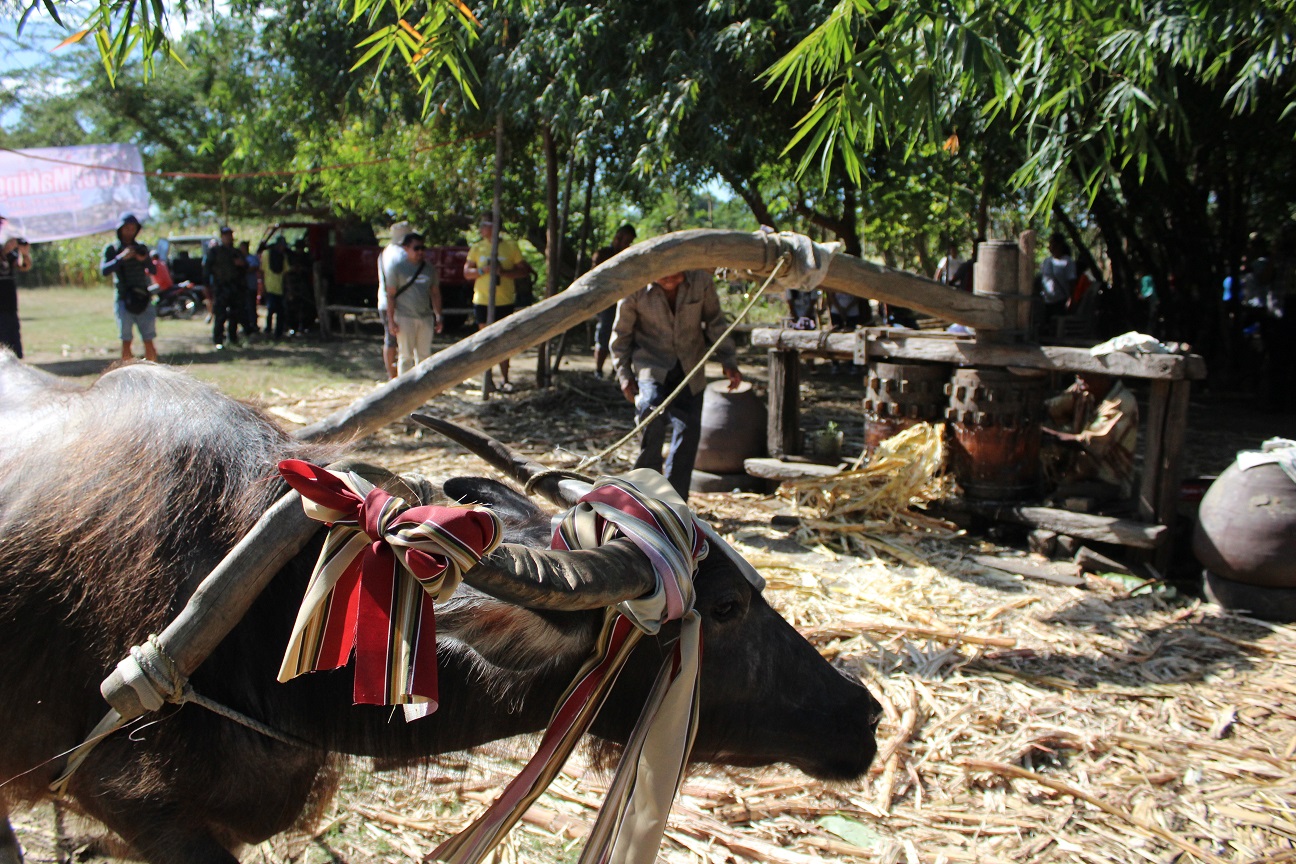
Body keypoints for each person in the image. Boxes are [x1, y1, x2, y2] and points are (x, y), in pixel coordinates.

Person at [611, 269, 743, 500]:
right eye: (663, 271)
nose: (669, 276)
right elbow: (621, 336)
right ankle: (647, 495)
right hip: (651, 364)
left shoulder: (700, 281)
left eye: (675, 270)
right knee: (650, 414)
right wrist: (624, 376)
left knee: (688, 430)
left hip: (690, 365)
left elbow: (715, 322)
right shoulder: (635, 285)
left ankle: (675, 502)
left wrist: (728, 361)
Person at [1041, 372, 1139, 502]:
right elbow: (1051, 407)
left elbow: (1093, 440)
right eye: (1078, 373)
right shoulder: (1084, 390)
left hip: (1110, 480)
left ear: (1104, 375)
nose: (1079, 377)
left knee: (1055, 497)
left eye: (1086, 373)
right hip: (1080, 473)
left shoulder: (1121, 401)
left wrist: (1053, 436)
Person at [463, 213, 528, 391]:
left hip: (504, 300)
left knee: (503, 341)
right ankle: (487, 378)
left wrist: (504, 273)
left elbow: (524, 271)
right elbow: (467, 273)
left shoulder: (510, 247)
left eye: (485, 224)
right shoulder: (477, 248)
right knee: (485, 341)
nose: (481, 228)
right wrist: (483, 271)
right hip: (482, 300)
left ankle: (505, 378)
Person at [101, 214, 159, 362]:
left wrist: (144, 259)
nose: (129, 231)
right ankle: (127, 369)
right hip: (123, 298)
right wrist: (121, 258)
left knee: (148, 338)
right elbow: (104, 271)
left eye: (133, 228)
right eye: (127, 228)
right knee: (126, 339)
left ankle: (152, 369)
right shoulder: (112, 249)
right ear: (120, 229)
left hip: (143, 297)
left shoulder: (141, 248)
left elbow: (153, 270)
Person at [384, 232, 442, 376]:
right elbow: (390, 296)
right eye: (416, 248)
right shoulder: (397, 268)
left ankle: (423, 387)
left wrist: (438, 315)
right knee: (405, 356)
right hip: (405, 317)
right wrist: (391, 320)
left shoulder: (429, 269)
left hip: (425, 317)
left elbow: (435, 293)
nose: (420, 252)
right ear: (406, 248)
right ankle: (404, 389)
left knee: (424, 355)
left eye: (423, 248)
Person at [592, 224, 636, 379]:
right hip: (606, 303)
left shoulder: (629, 256)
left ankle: (617, 372)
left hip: (624, 302)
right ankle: (598, 371)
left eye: (630, 242)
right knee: (604, 336)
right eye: (626, 240)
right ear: (618, 237)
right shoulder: (603, 254)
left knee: (623, 337)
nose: (627, 244)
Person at [376, 221, 413, 379]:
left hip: (384, 301)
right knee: (401, 341)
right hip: (398, 303)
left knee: (390, 339)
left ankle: (392, 375)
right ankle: (400, 377)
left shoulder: (385, 252)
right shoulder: (401, 254)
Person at [204, 226, 247, 349]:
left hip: (235, 287)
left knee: (234, 314)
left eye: (230, 235)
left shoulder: (236, 252)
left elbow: (245, 267)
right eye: (226, 235)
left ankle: (233, 338)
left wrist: (241, 264)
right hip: (221, 287)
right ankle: (218, 340)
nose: (229, 237)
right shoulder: (215, 251)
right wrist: (207, 285)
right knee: (220, 314)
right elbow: (207, 269)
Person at [0, 214, 32, 357]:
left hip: (9, 301)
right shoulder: (4, 248)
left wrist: (25, 254)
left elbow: (23, 267)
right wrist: (4, 252)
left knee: (12, 337)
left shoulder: (5, 245)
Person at [1038, 232, 1077, 333]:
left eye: (1053, 243)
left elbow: (1072, 282)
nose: (1050, 246)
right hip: (1045, 300)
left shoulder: (1067, 262)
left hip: (1060, 301)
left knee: (1057, 327)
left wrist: (1071, 300)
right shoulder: (1047, 261)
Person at [261, 236, 288, 340]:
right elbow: (262, 271)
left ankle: (278, 332)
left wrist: (287, 287)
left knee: (280, 311)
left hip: (280, 287)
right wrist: (262, 286)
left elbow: (286, 273)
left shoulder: (283, 257)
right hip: (269, 286)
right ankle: (268, 330)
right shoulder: (266, 254)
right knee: (271, 309)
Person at [240, 240, 261, 339]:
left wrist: (243, 269)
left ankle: (253, 324)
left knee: (251, 306)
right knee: (243, 307)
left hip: (251, 286)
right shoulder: (240, 259)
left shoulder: (252, 258)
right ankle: (246, 325)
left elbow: (254, 267)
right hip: (242, 287)